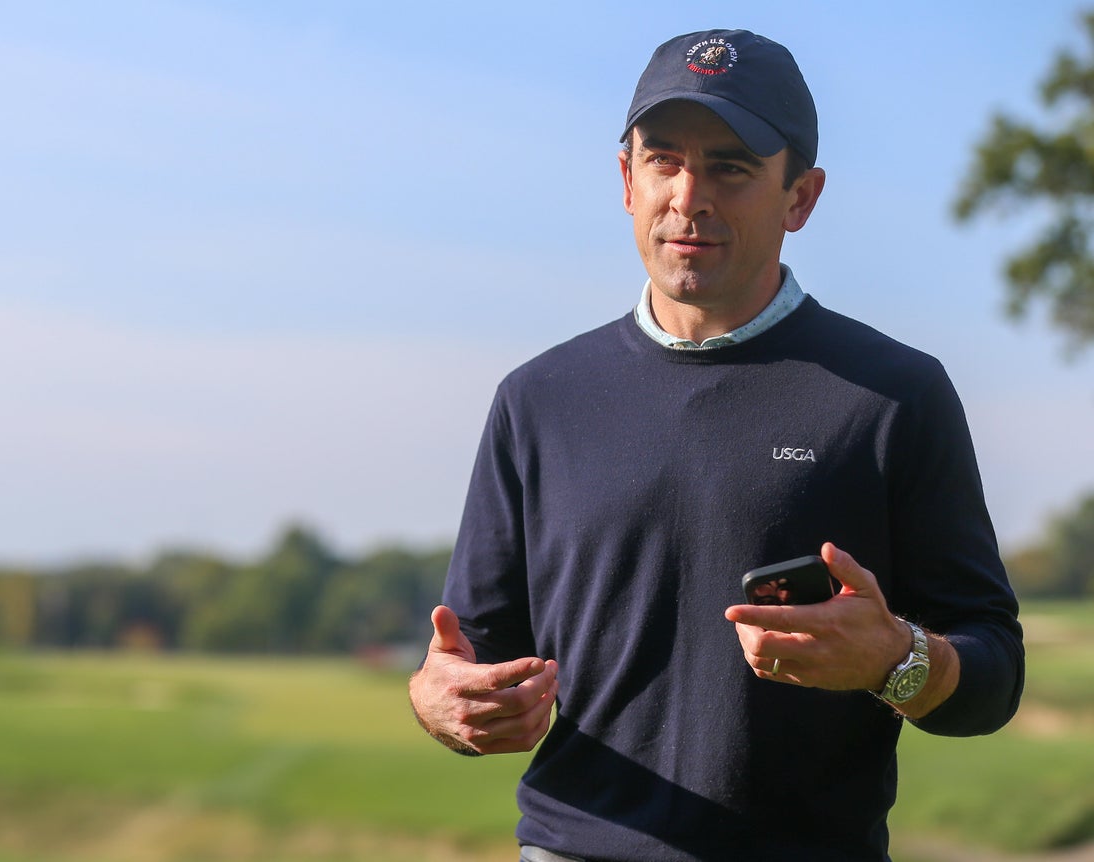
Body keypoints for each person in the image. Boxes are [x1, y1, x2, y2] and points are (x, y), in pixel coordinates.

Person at [408, 29, 1024, 862]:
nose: (689, 195)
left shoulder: (893, 395)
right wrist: (441, 702)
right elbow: (471, 661)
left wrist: (897, 659)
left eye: (731, 166)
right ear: (627, 180)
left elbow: (993, 675)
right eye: (664, 159)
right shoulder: (537, 399)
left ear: (800, 197)